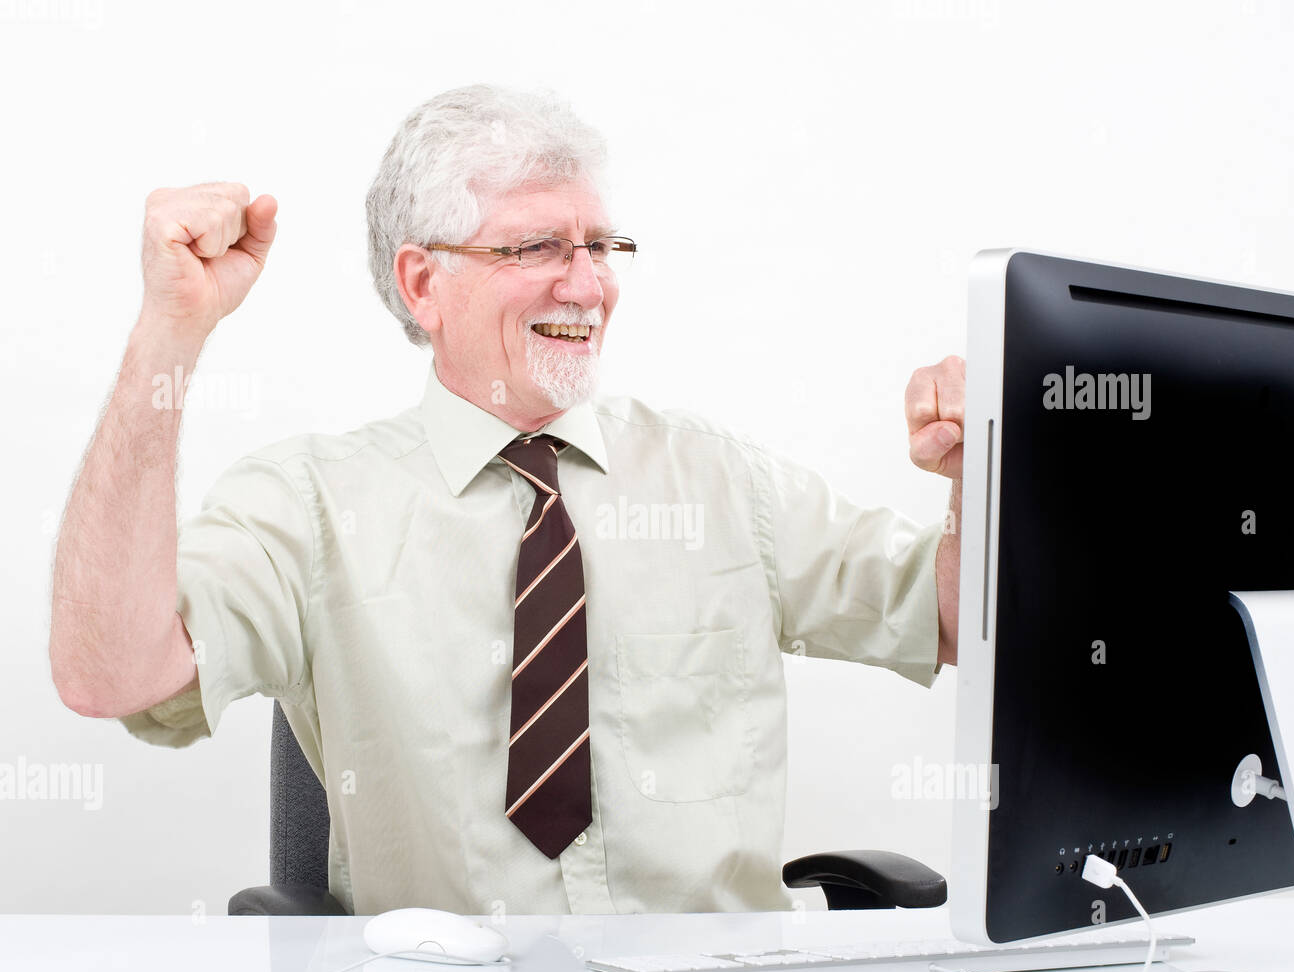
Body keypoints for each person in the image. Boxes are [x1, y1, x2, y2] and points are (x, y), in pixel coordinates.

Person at [49, 85, 964, 916]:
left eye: (601, 246)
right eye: (537, 247)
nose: (587, 282)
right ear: (422, 284)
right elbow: (111, 676)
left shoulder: (722, 482)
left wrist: (981, 468)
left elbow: (956, 618)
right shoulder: (310, 506)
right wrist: (170, 331)